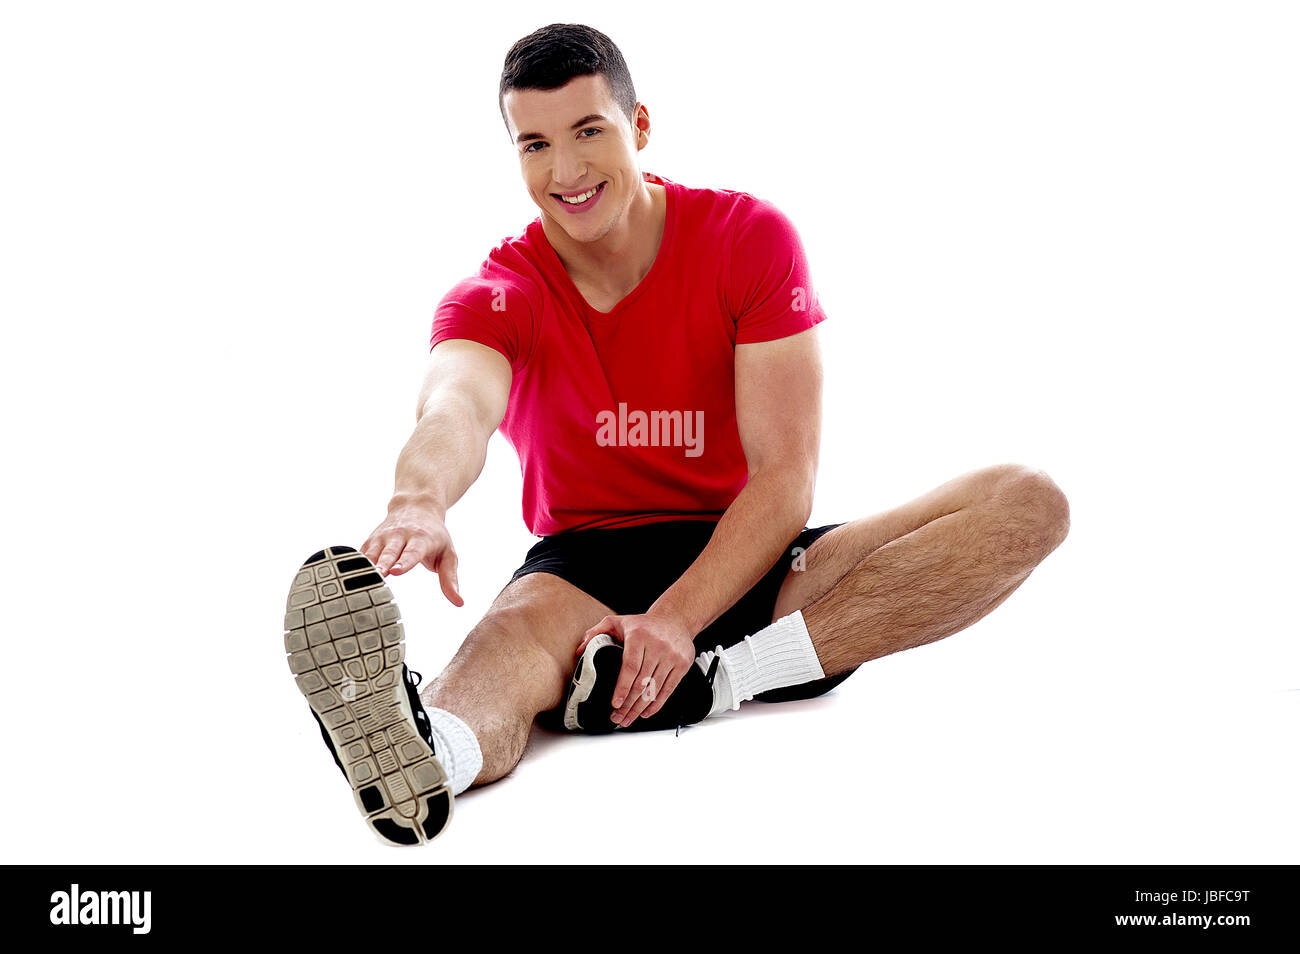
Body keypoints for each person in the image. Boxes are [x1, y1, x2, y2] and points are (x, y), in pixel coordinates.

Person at [282, 23, 1070, 847]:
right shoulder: (497, 294)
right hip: (585, 566)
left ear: (640, 126)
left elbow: (784, 477)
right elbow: (456, 406)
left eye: (590, 131)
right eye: (536, 145)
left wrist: (678, 622)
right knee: (504, 642)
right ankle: (425, 754)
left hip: (753, 555)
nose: (567, 171)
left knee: (1028, 501)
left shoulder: (748, 240)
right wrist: (420, 500)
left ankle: (717, 682)